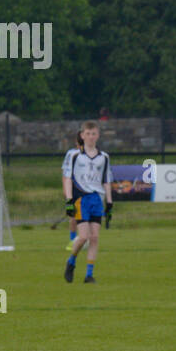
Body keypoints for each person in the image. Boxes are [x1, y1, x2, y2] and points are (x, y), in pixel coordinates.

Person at [63, 120, 112, 283]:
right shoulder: (74, 155)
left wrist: (109, 202)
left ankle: (89, 274)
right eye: (88, 134)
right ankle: (71, 262)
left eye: (94, 134)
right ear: (82, 135)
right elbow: (67, 178)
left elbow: (106, 180)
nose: (91, 137)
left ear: (98, 136)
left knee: (95, 238)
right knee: (83, 237)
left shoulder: (104, 157)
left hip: (96, 199)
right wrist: (69, 200)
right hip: (80, 199)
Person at [62, 132, 83, 251]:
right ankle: (72, 241)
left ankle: (83, 240)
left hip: (87, 190)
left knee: (86, 217)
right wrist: (65, 189)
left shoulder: (93, 153)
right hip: (74, 189)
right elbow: (65, 172)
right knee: (74, 217)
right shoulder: (71, 154)